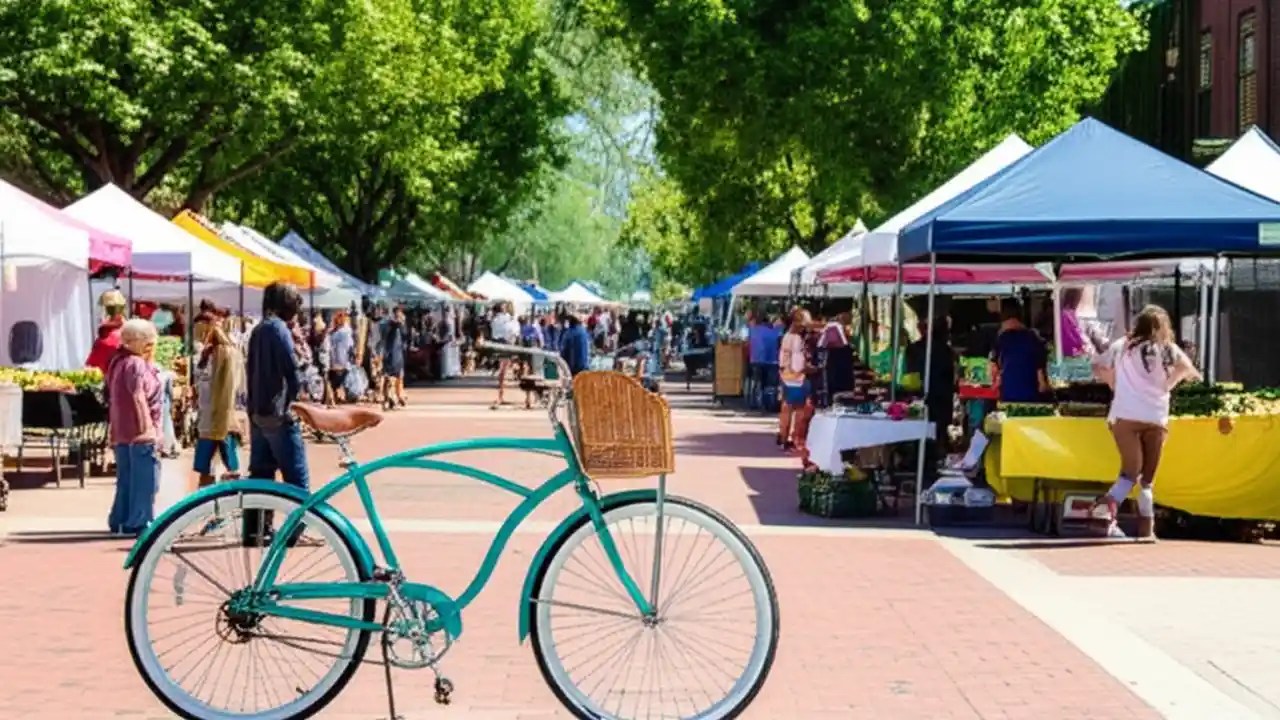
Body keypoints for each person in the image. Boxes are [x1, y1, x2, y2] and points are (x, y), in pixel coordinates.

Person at [1091, 305, 1201, 540]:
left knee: (1129, 472)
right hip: (1155, 415)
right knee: (1147, 479)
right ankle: (1146, 530)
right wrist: (1168, 384)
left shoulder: (1123, 346)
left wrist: (1114, 382)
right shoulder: (1167, 349)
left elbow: (1097, 365)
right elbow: (1189, 369)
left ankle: (1107, 507)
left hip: (1125, 415)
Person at [246, 282, 309, 491]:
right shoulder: (279, 329)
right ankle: (297, 524)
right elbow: (292, 369)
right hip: (279, 414)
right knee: (297, 483)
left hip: (258, 413)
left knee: (260, 480)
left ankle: (258, 524)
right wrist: (295, 401)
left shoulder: (258, 329)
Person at [105, 319, 162, 537]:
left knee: (126, 481)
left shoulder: (117, 361)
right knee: (145, 481)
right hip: (139, 433)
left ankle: (120, 519)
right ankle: (139, 522)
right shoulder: (136, 364)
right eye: (148, 341)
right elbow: (138, 396)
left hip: (122, 432)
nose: (151, 346)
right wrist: (148, 429)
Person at [193, 322, 244, 488]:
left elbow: (201, 389)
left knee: (205, 469)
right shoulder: (233, 357)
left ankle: (204, 500)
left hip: (210, 421)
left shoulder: (212, 358)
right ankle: (232, 496)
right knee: (231, 466)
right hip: (225, 419)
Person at [906, 318, 956, 485]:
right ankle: (933, 468)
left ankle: (920, 465)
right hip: (941, 397)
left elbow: (910, 375)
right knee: (938, 433)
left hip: (922, 396)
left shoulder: (913, 349)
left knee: (920, 434)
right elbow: (952, 375)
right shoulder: (946, 350)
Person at [991, 298, 1048, 403]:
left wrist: (996, 382)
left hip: (1009, 391)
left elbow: (994, 367)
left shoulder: (1002, 338)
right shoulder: (1032, 337)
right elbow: (1040, 367)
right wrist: (1042, 384)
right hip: (1030, 391)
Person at [778, 309, 815, 451]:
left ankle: (783, 436)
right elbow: (798, 364)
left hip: (785, 375)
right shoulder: (797, 339)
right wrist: (810, 369)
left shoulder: (786, 336)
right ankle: (796, 438)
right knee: (800, 409)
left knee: (786, 408)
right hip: (797, 378)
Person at [489, 302, 520, 408]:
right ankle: (501, 394)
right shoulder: (507, 319)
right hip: (506, 344)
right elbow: (514, 332)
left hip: (502, 343)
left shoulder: (498, 319)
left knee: (503, 369)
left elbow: (495, 333)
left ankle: (501, 393)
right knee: (504, 369)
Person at [747, 314, 781, 410]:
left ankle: (754, 403)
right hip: (772, 361)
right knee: (770, 385)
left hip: (756, 360)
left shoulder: (753, 330)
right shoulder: (775, 331)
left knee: (757, 383)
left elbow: (749, 321)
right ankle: (769, 404)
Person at [381, 306, 407, 410]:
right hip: (392, 353)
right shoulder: (391, 323)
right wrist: (400, 321)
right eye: (399, 314)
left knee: (398, 376)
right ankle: (389, 398)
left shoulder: (395, 325)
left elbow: (404, 334)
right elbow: (395, 326)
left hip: (397, 352)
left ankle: (397, 396)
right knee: (390, 377)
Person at [328, 312, 355, 402]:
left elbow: (350, 345)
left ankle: (338, 395)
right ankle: (336, 395)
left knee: (340, 376)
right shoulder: (338, 331)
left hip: (342, 356)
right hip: (337, 356)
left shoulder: (345, 330)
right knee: (337, 377)